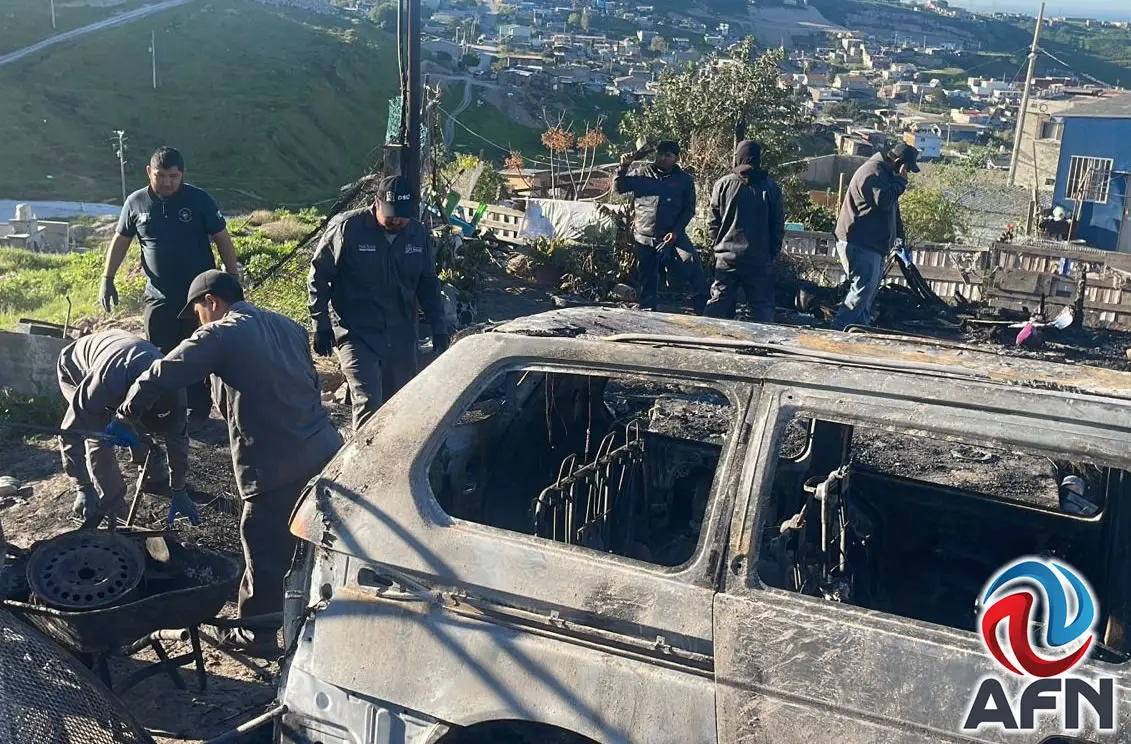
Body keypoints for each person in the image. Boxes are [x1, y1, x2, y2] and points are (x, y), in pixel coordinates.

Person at [113, 270, 342, 655]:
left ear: (212, 303)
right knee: (315, 541)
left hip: (274, 462)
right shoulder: (288, 326)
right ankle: (315, 617)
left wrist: (125, 412)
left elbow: (164, 371)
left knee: (263, 548)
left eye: (198, 311)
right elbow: (310, 382)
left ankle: (257, 635)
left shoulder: (220, 332)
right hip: (324, 449)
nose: (198, 320)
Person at [99, 146, 239, 420]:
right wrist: (107, 278)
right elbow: (121, 241)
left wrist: (231, 277)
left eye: (173, 176)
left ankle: (199, 412)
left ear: (182, 175)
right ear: (149, 172)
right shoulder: (136, 202)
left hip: (199, 297)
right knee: (158, 355)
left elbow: (222, 238)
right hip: (157, 297)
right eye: (161, 175)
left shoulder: (199, 200)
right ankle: (164, 411)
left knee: (199, 350)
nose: (167, 182)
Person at [308, 174, 450, 433]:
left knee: (400, 406)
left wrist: (439, 326)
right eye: (391, 214)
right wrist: (321, 323)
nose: (397, 221)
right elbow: (318, 275)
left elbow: (428, 283)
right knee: (369, 407)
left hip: (402, 334)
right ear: (376, 203)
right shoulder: (348, 229)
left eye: (403, 216)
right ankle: (361, 469)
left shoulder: (418, 236)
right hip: (357, 333)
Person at [57, 329, 195, 526]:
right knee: (100, 436)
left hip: (125, 364)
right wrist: (83, 486)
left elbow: (178, 439)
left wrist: (179, 489)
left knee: (132, 429)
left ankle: (151, 471)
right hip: (77, 367)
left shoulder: (175, 389)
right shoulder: (105, 381)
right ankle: (116, 512)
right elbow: (71, 432)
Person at [829, 142, 919, 331]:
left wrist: (898, 237)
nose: (907, 173)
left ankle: (858, 328)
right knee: (862, 289)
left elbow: (892, 211)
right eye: (907, 169)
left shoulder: (884, 175)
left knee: (869, 291)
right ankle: (838, 328)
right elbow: (884, 201)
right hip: (860, 242)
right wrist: (900, 182)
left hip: (871, 244)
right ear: (899, 164)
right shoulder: (873, 172)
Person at [614, 140, 709, 313]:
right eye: (660, 154)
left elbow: (689, 210)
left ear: (676, 158)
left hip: (673, 235)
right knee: (647, 276)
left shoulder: (684, 181)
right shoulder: (642, 173)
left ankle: (704, 309)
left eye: (668, 155)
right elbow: (619, 187)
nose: (662, 158)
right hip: (645, 235)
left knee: (691, 262)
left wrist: (675, 232)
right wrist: (623, 167)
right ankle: (647, 312)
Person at [703, 140, 785, 322]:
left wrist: (717, 247)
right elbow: (778, 225)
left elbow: (713, 221)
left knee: (719, 303)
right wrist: (772, 252)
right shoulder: (771, 188)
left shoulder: (723, 184)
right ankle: (764, 345)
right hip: (758, 258)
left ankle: (704, 340)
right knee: (761, 307)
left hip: (726, 257)